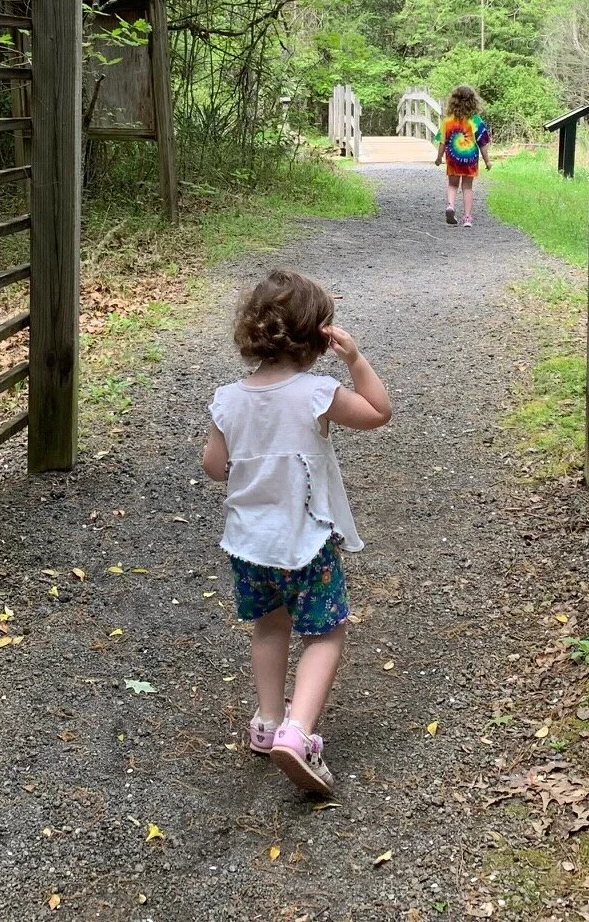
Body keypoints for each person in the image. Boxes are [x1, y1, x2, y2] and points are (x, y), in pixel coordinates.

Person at [201, 269, 393, 797]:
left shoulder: (228, 399)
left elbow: (216, 466)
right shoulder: (318, 393)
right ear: (317, 337)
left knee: (269, 626)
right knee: (325, 631)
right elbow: (379, 411)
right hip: (305, 541)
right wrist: (353, 358)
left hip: (248, 544)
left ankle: (267, 721)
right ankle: (298, 732)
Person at [434, 84, 492, 226]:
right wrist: (487, 161)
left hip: (453, 157)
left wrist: (439, 157)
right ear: (473, 101)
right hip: (470, 158)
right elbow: (482, 143)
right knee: (467, 187)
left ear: (453, 101)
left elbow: (442, 142)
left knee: (453, 185)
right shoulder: (475, 120)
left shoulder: (447, 121)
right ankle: (467, 218)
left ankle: (451, 206)